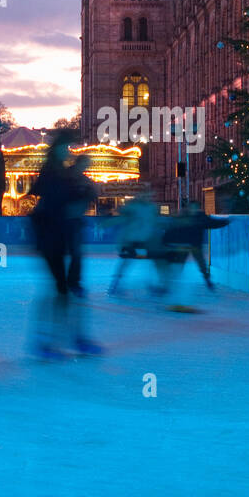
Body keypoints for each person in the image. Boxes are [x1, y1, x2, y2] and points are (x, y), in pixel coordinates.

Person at [26, 131, 100, 357]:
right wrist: (77, 201)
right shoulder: (53, 172)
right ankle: (50, 339)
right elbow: (53, 204)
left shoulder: (61, 172)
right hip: (52, 237)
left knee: (66, 289)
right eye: (67, 147)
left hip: (60, 237)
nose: (69, 151)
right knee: (63, 289)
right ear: (58, 147)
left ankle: (57, 338)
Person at [107, 185, 161, 296]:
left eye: (150, 196)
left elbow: (154, 221)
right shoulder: (133, 205)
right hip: (130, 240)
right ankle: (115, 284)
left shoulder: (152, 207)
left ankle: (150, 284)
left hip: (144, 240)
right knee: (126, 262)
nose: (148, 197)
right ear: (141, 195)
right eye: (145, 195)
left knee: (151, 261)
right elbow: (120, 211)